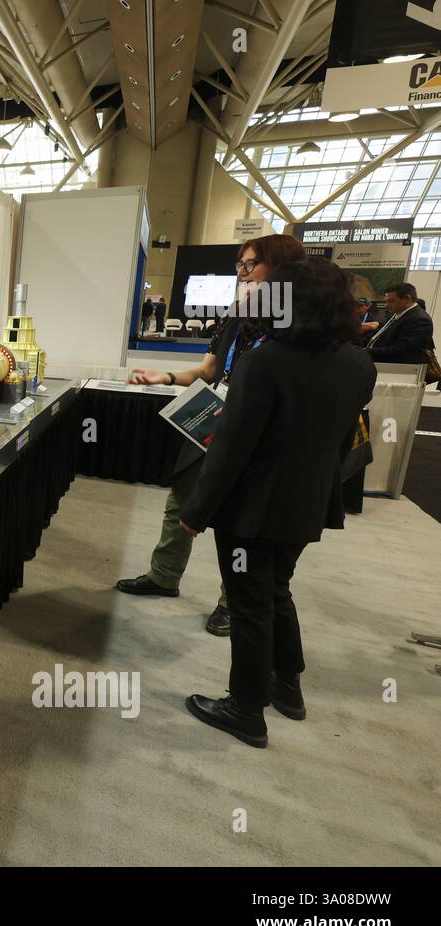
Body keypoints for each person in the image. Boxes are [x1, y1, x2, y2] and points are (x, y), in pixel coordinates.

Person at [178, 257, 377, 748]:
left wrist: (196, 512)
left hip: (252, 509)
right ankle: (287, 687)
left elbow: (231, 447)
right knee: (276, 592)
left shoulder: (265, 361)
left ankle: (245, 709)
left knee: (249, 605)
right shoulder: (358, 363)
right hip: (308, 502)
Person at [120, 234, 306, 638]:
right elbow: (208, 370)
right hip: (214, 418)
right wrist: (165, 376)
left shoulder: (297, 325)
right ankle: (163, 576)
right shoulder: (235, 317)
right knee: (181, 501)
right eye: (239, 265)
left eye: (251, 264)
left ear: (282, 268)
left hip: (258, 435)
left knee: (238, 521)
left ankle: (231, 602)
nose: (242, 273)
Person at [365, 282, 434, 366]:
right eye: (386, 301)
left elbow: (402, 350)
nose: (386, 305)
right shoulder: (397, 314)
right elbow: (379, 336)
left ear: (407, 299)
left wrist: (366, 352)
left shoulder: (420, 320)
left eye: (391, 301)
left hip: (398, 371)